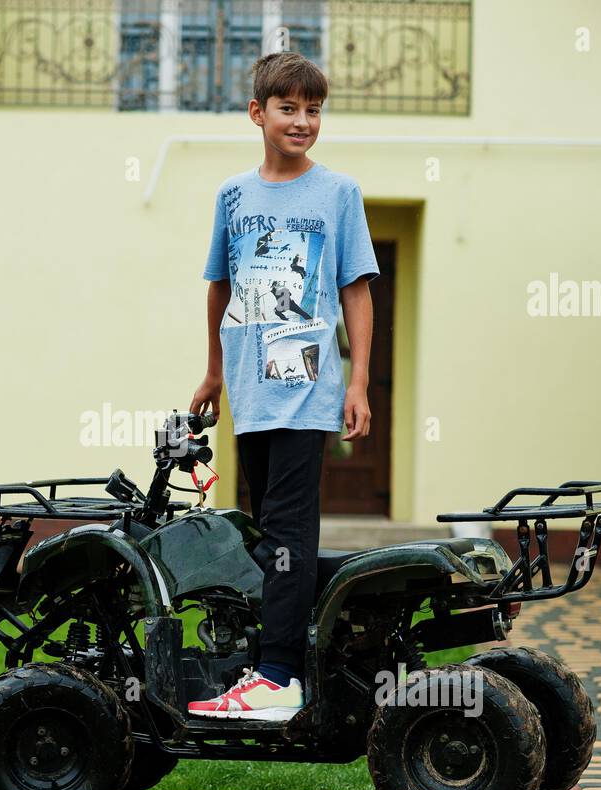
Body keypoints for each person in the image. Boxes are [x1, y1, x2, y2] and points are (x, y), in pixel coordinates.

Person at [188, 51, 379, 722]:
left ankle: (278, 678)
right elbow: (221, 285)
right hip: (250, 389)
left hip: (306, 384)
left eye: (314, 110)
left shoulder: (338, 193)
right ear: (257, 113)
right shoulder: (233, 195)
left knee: (290, 528)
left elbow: (354, 288)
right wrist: (213, 371)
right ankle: (283, 656)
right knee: (270, 535)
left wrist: (358, 380)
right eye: (289, 108)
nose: (303, 121)